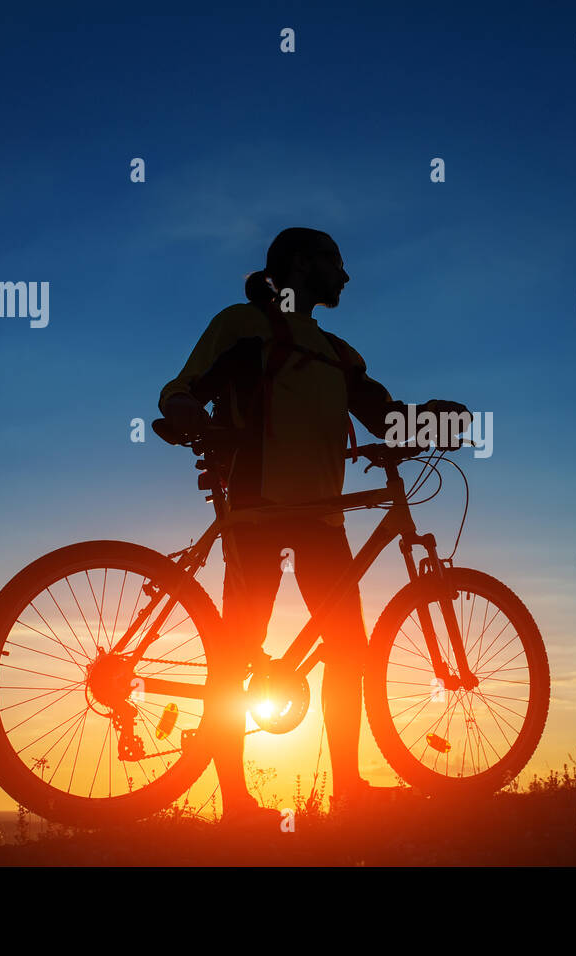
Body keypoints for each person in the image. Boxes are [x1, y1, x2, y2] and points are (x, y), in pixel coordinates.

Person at [158, 227, 469, 826]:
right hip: (257, 507)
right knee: (236, 655)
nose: (346, 277)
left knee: (348, 652)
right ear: (301, 264)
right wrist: (185, 412)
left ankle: (348, 791)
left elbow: (385, 418)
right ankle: (237, 807)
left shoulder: (337, 352)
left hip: (324, 518)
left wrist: (433, 423)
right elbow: (185, 386)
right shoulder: (242, 325)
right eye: (336, 263)